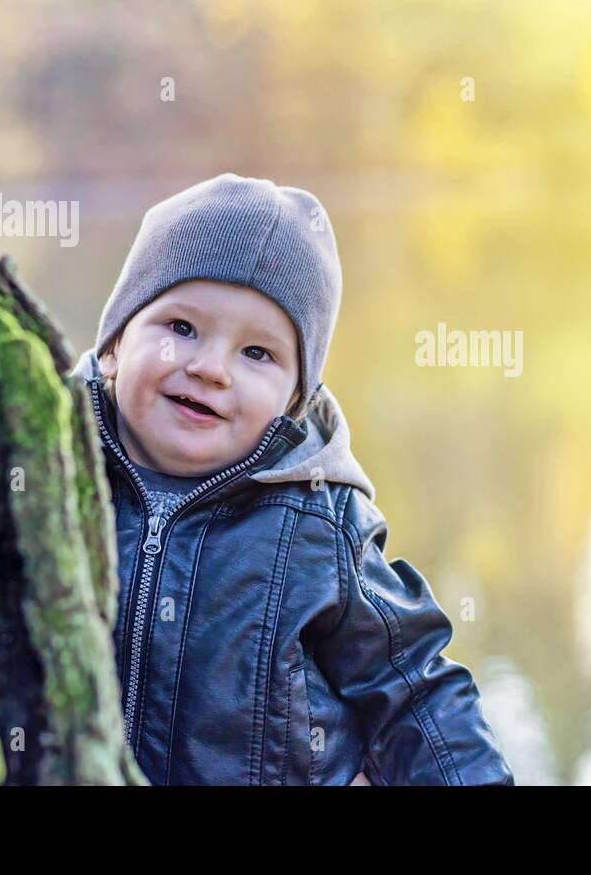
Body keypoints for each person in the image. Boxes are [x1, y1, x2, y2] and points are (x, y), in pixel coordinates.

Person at [69, 172, 514, 785]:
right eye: (180, 328)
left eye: (257, 353)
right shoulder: (51, 466)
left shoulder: (316, 520)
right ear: (116, 342)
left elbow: (413, 686)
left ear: (294, 401)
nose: (209, 368)